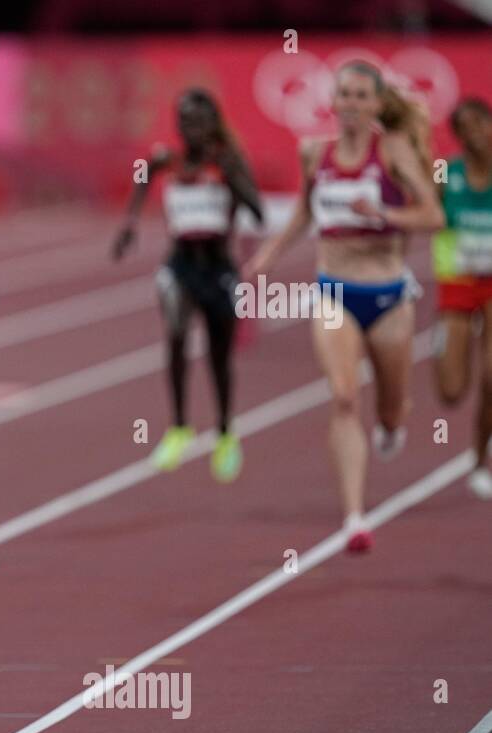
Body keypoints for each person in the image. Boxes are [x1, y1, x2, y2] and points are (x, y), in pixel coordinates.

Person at [244, 62, 443, 552]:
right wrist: (266, 257)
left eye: (361, 96)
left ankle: (393, 424)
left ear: (376, 105)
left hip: (388, 295)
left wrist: (385, 214)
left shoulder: (392, 150)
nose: (351, 104)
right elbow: (303, 214)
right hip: (334, 290)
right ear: (331, 102)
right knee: (344, 397)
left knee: (391, 409)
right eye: (344, 95)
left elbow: (434, 215)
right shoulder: (314, 152)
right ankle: (354, 517)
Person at [113, 89, 264, 482]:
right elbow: (144, 175)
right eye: (183, 122)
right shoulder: (169, 160)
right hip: (180, 264)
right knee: (176, 339)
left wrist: (233, 181)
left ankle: (226, 433)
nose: (189, 129)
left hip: (218, 268)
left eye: (197, 122)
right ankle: (179, 427)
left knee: (218, 356)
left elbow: (258, 211)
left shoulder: (227, 161)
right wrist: (130, 223)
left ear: (213, 123)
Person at [432, 96, 492, 497]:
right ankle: (441, 344)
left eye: (480, 123)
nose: (474, 134)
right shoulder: (445, 175)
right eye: (464, 128)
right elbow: (425, 213)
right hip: (456, 281)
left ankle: (479, 457)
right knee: (452, 392)